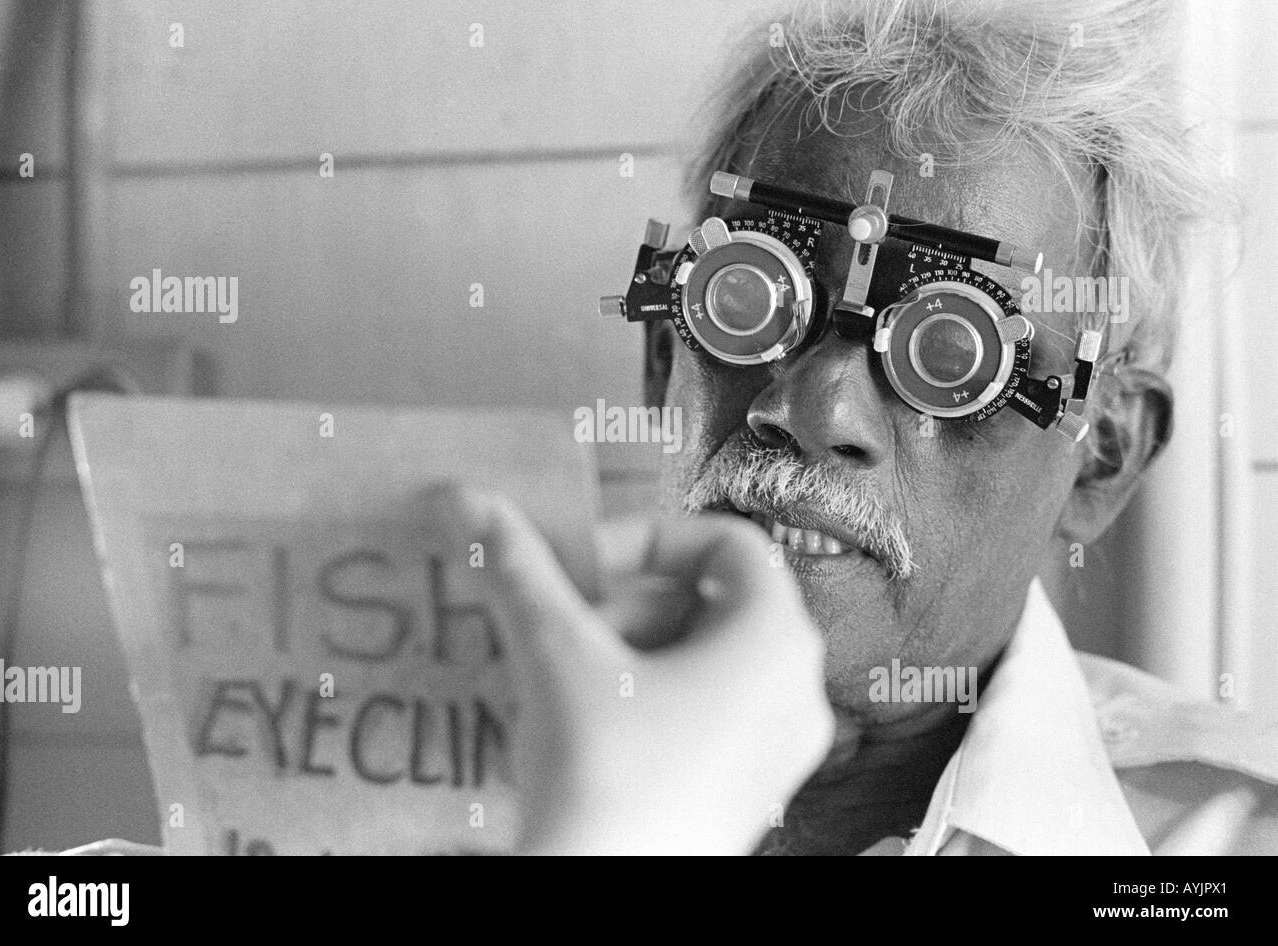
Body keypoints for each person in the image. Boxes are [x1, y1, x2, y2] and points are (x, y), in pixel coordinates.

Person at [426, 0, 1278, 856]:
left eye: (949, 350)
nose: (812, 411)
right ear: (664, 357)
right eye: (747, 299)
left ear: (1102, 456)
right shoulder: (393, 763)